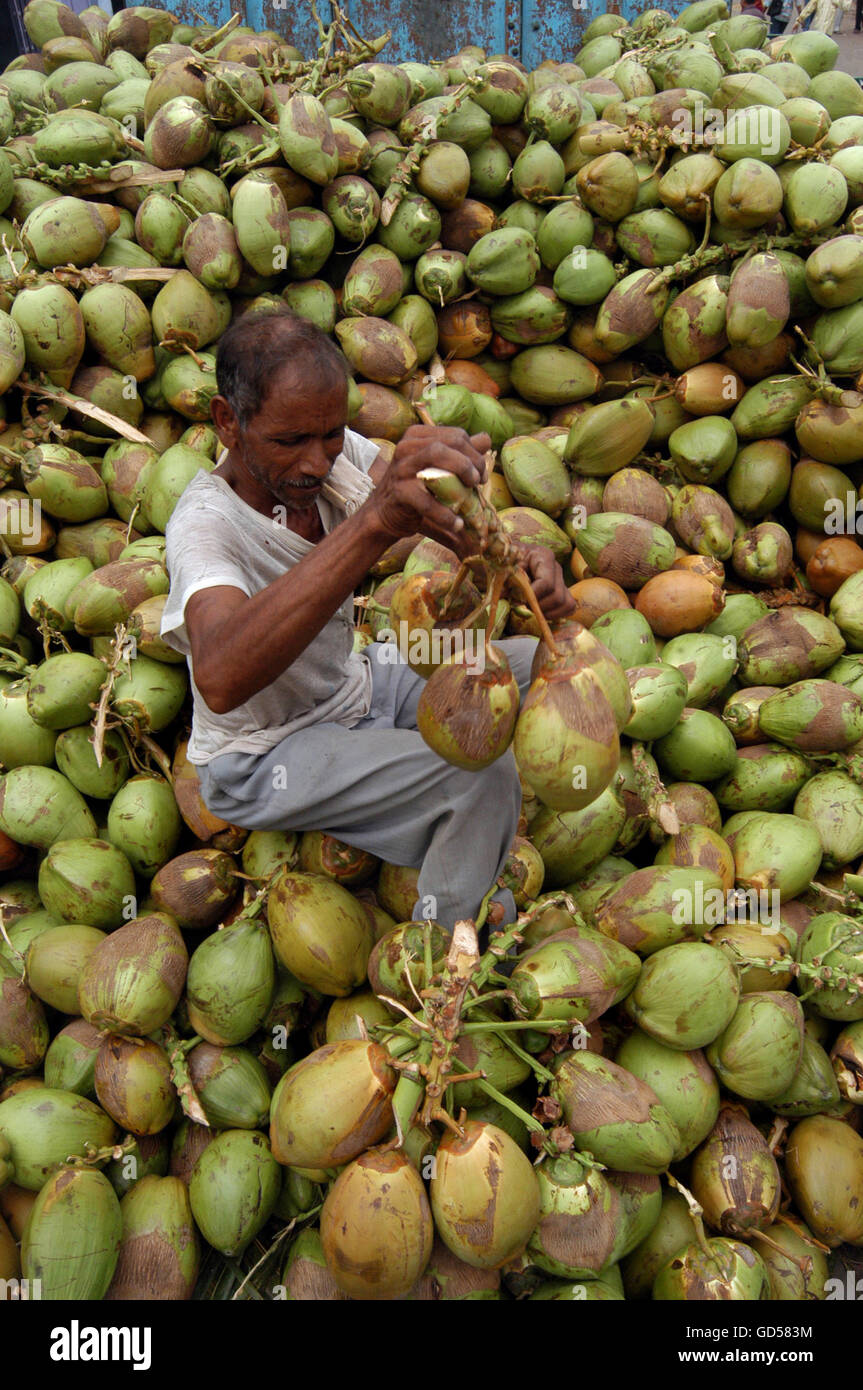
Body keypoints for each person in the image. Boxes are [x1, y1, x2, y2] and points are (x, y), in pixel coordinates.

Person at [160, 308, 575, 934]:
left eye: (330, 435)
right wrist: (373, 523)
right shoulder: (204, 526)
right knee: (479, 779)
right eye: (289, 442)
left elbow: (441, 517)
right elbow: (218, 674)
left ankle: (469, 823)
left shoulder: (335, 452)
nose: (316, 462)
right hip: (264, 754)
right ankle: (449, 958)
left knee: (552, 664)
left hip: (357, 685)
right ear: (227, 422)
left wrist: (515, 566)